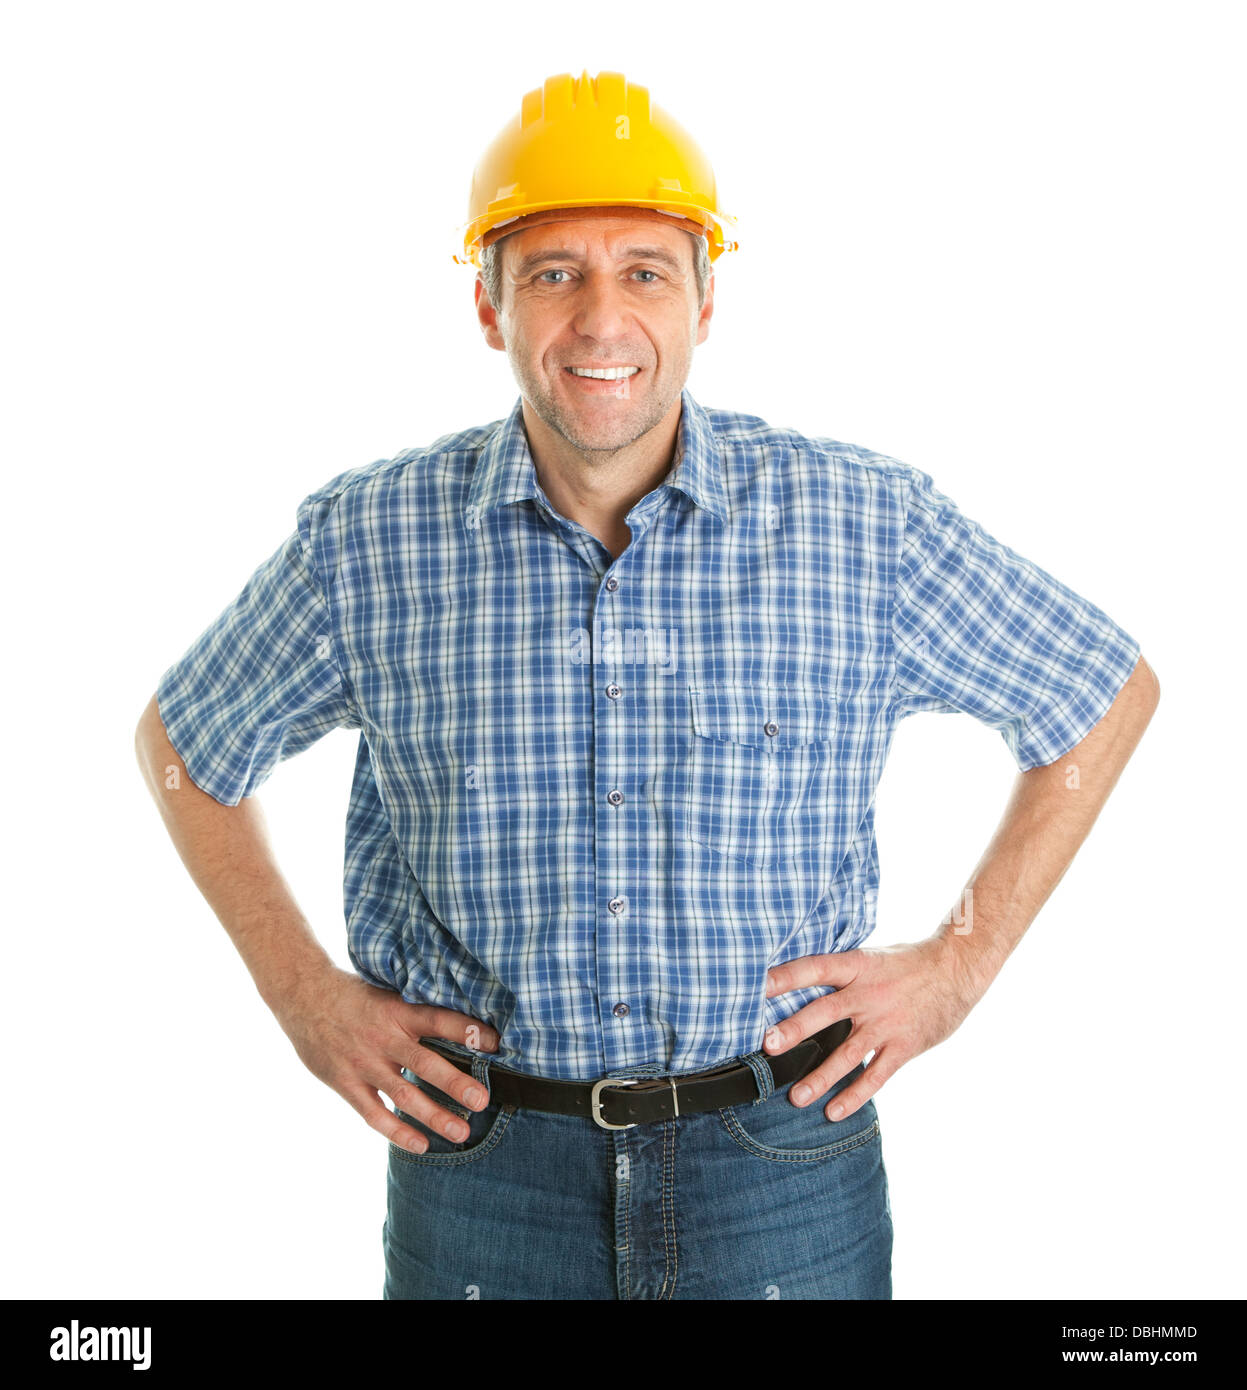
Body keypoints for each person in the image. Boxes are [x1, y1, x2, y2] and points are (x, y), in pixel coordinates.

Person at [135, 69, 1159, 1301]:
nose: (600, 320)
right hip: (484, 1175)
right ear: (488, 306)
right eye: (554, 271)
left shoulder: (859, 525)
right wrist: (303, 996)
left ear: (706, 302)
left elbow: (1102, 691)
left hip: (780, 1165)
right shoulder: (368, 543)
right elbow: (184, 745)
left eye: (645, 270)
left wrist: (955, 968)